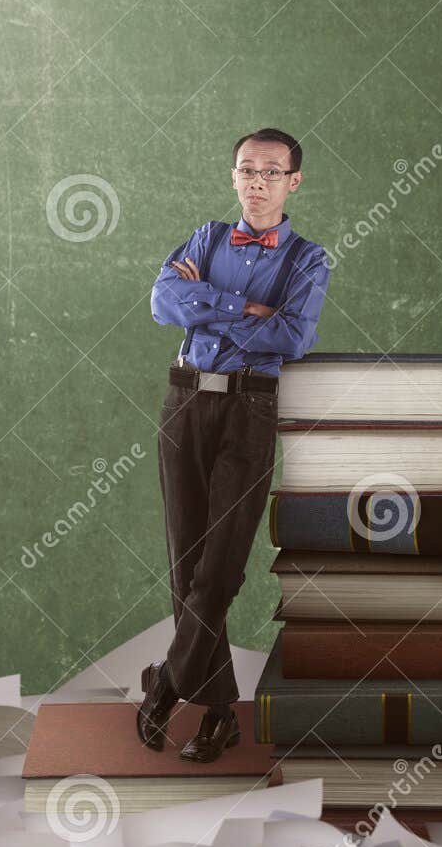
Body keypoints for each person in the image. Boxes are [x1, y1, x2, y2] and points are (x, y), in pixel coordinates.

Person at [139, 127, 330, 762]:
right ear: (233, 177)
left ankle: (169, 680)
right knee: (185, 559)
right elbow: (164, 301)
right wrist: (246, 309)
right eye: (247, 169)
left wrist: (209, 307)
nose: (257, 181)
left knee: (220, 564)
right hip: (185, 401)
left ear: (293, 182)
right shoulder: (207, 237)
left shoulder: (307, 259)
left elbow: (293, 338)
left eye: (271, 172)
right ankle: (219, 712)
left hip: (250, 409)